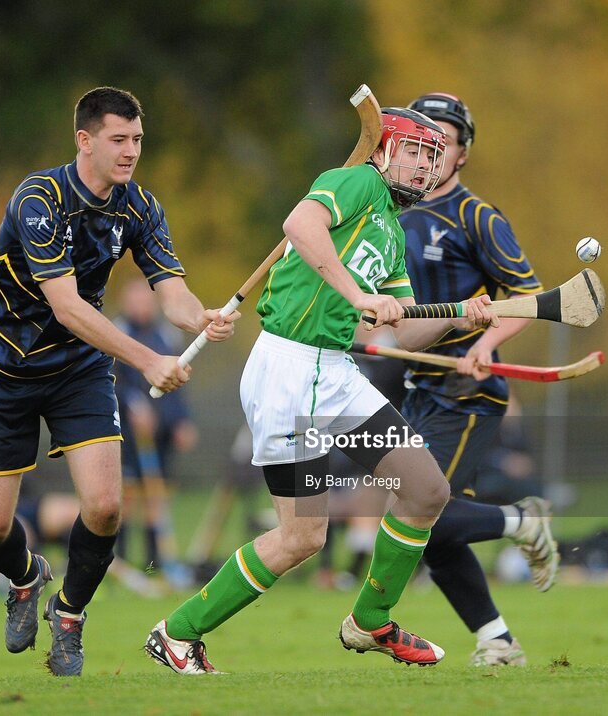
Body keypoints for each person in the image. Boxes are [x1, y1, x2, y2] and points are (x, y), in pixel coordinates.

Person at [145, 106, 498, 675]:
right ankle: (178, 633)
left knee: (426, 490)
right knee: (301, 537)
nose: (422, 166)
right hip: (289, 371)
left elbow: (396, 325)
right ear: (383, 150)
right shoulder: (353, 180)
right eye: (413, 151)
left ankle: (369, 622)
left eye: (431, 158)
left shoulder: (391, 227)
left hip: (334, 373)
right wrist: (357, 294)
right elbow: (299, 227)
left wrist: (460, 317)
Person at [0, 87, 238, 677]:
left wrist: (202, 316)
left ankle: (69, 618)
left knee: (108, 507)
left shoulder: (138, 207)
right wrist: (147, 361)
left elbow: (171, 291)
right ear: (84, 141)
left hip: (79, 371)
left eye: (138, 139)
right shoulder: (38, 199)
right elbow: (68, 307)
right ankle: (27, 576)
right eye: (119, 139)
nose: (132, 150)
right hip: (5, 371)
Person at [397, 92, 560, 666]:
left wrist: (487, 345)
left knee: (424, 510)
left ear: (464, 152)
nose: (434, 147)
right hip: (417, 385)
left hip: (468, 390)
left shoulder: (477, 217)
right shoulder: (390, 215)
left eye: (446, 138)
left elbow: (527, 298)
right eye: (424, 135)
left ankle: (523, 520)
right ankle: (498, 641)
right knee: (431, 529)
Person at [113, 279, 198, 588]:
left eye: (146, 300)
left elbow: (178, 383)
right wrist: (133, 406)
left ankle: (154, 564)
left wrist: (181, 421)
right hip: (126, 434)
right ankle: (116, 564)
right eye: (135, 299)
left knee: (157, 500)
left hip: (159, 435)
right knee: (126, 498)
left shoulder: (166, 335)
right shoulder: (116, 331)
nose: (141, 306)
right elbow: (111, 381)